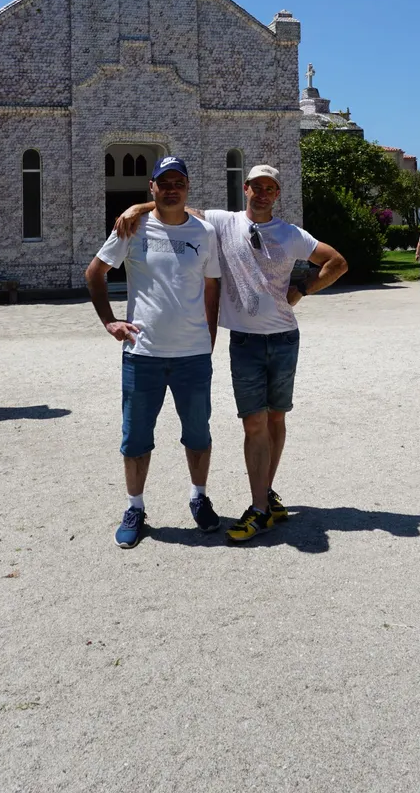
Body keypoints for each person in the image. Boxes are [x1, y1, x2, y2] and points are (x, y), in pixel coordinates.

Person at [115, 164, 347, 543]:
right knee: (254, 424)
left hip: (286, 337)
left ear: (277, 194)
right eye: (256, 186)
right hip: (244, 340)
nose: (262, 193)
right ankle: (259, 507)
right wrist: (138, 208)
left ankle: (265, 495)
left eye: (270, 188)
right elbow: (175, 207)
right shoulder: (223, 222)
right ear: (246, 190)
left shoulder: (291, 234)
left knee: (276, 420)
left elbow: (337, 262)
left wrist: (302, 289)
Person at [85, 156, 222, 549]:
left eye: (179, 181)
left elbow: (212, 286)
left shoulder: (205, 232)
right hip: (142, 353)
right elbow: (95, 272)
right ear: (152, 188)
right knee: (136, 436)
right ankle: (135, 507)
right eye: (164, 183)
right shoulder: (133, 227)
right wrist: (110, 321)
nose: (172, 188)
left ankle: (199, 497)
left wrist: (209, 336)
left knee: (198, 433)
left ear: (188, 186)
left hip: (193, 355)